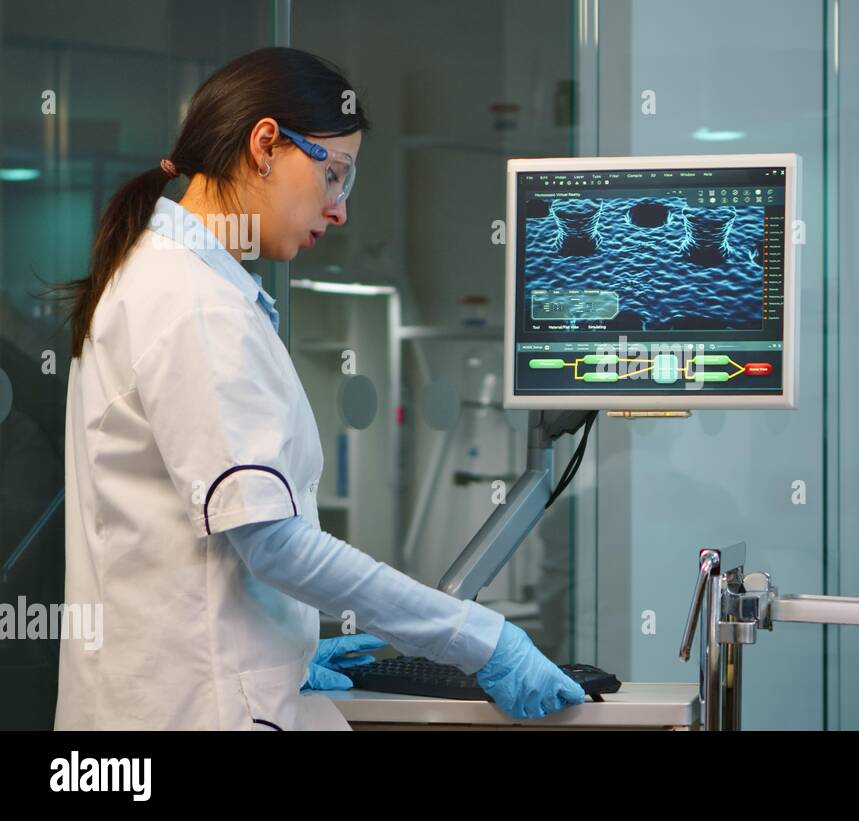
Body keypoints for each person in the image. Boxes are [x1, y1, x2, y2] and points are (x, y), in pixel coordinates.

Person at [54, 48, 583, 729]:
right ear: (266, 144)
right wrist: (477, 639)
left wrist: (284, 640)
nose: (338, 211)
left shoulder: (172, 280)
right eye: (333, 175)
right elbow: (273, 543)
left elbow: (193, 541)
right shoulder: (194, 301)